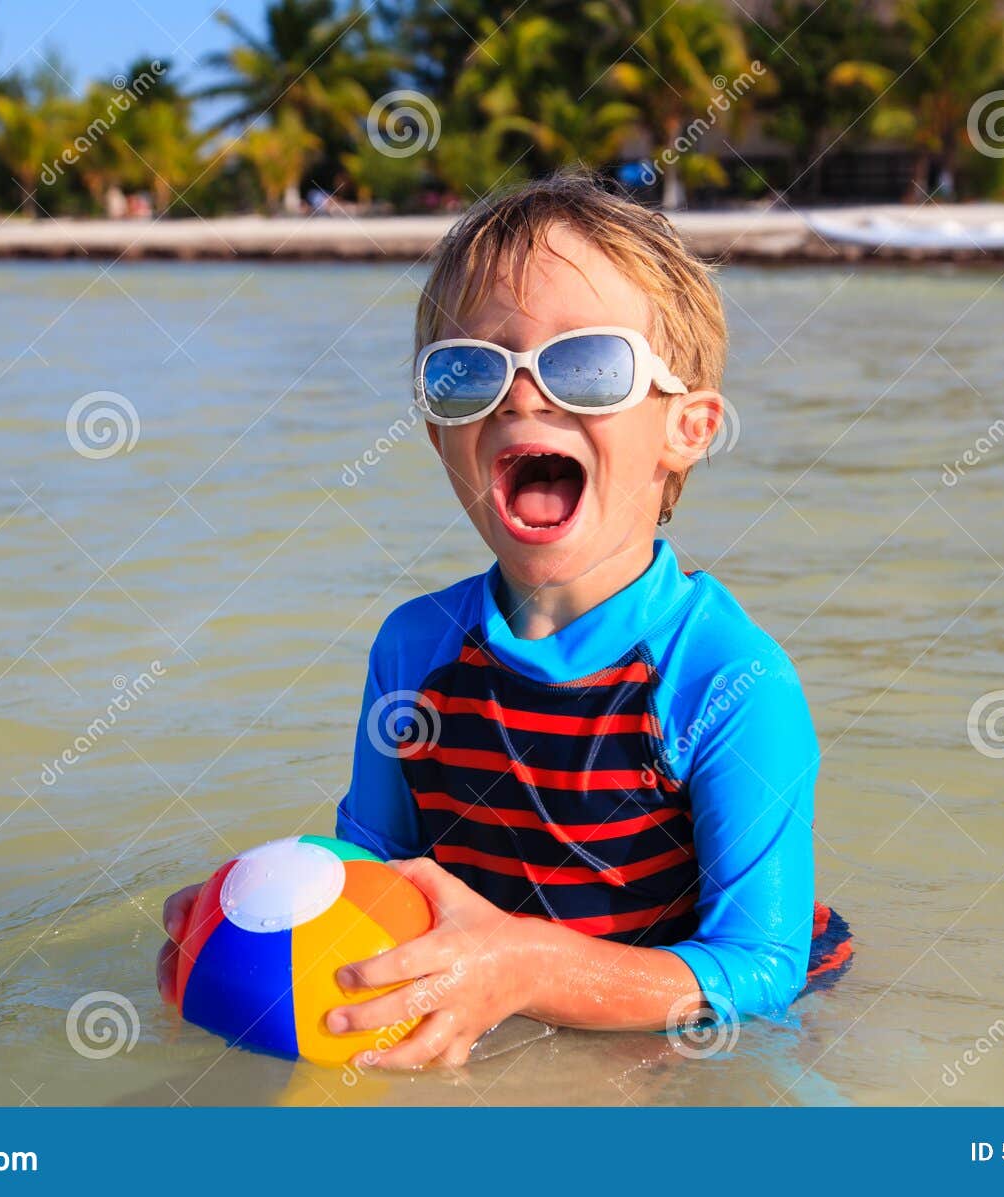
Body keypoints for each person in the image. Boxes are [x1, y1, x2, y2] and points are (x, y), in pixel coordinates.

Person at [156, 171, 850, 1069]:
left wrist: (529, 969)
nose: (521, 396)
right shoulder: (414, 652)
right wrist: (248, 901)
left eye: (588, 366)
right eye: (468, 373)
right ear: (440, 435)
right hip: (499, 974)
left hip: (699, 1003)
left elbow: (761, 968)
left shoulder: (728, 680)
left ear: (690, 426)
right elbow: (377, 863)